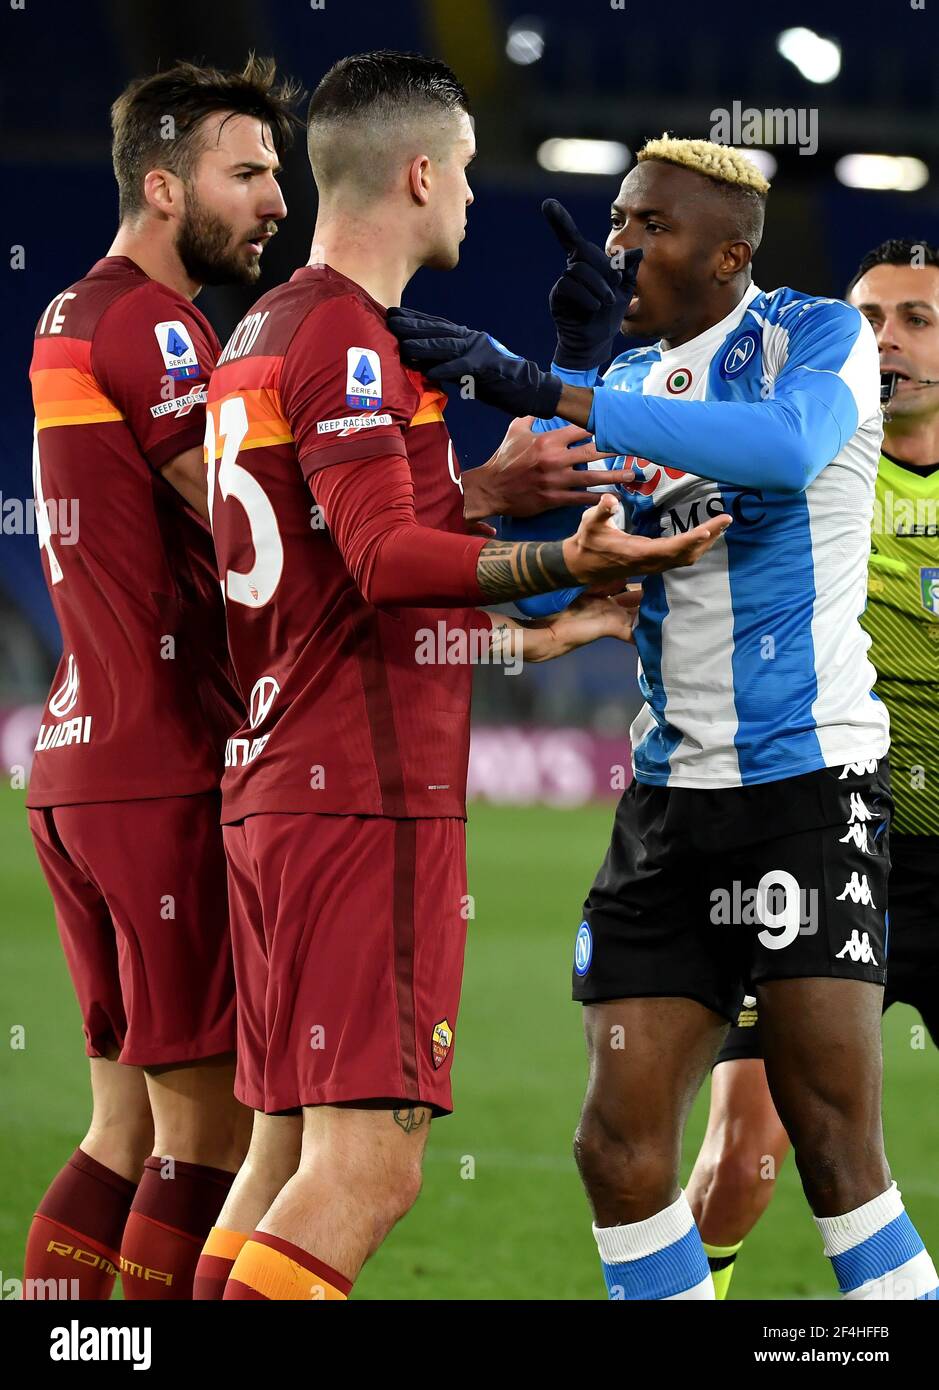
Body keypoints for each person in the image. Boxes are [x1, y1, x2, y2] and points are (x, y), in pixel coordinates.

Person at [191, 55, 726, 1302]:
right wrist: (557, 553)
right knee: (370, 1169)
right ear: (421, 173)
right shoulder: (352, 344)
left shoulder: (270, 331)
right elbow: (387, 564)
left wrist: (545, 616)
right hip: (358, 804)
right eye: (472, 170)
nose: (478, 197)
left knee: (281, 1158)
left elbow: (361, 585)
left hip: (280, 787)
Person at [388, 136, 939, 1301]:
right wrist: (576, 367)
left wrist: (555, 382)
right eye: (622, 219)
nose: (622, 242)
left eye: (651, 225)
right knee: (616, 1148)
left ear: (731, 253)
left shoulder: (816, 339)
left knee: (835, 1154)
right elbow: (545, 585)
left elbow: (785, 450)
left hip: (806, 793)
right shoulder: (629, 382)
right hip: (668, 806)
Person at [24, 56, 297, 1300]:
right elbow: (246, 531)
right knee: (208, 1146)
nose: (276, 199)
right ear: (164, 183)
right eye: (247, 174)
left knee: (120, 1136)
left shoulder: (71, 311)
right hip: (163, 767)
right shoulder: (159, 323)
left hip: (79, 759)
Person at [686, 238, 939, 1299]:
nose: (888, 339)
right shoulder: (809, 463)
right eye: (871, 317)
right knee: (744, 1152)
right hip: (836, 837)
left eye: (918, 319)